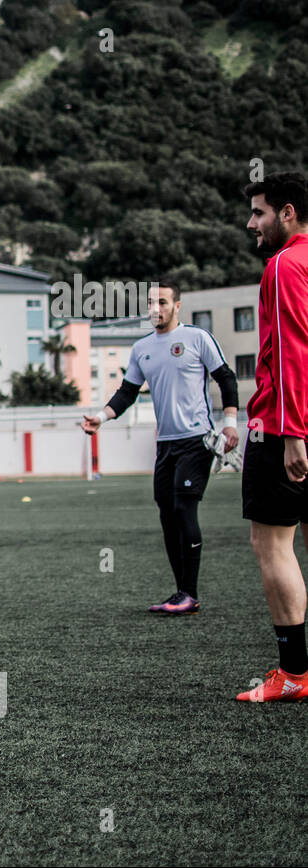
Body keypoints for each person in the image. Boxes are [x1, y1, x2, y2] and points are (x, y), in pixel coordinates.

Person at [79, 281, 239, 615]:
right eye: (151, 302)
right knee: (167, 514)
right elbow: (126, 393)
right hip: (165, 444)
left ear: (177, 305)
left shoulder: (197, 338)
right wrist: (100, 417)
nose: (156, 308)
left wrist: (230, 423)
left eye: (162, 302)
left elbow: (226, 378)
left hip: (197, 439)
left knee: (184, 508)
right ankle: (182, 593)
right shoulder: (141, 348)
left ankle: (190, 593)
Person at [235, 171, 308, 702]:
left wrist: (291, 433)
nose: (250, 222)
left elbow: (289, 351)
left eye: (259, 212)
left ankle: (294, 675)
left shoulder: (284, 265)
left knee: (272, 544)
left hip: (283, 426)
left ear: (287, 212)